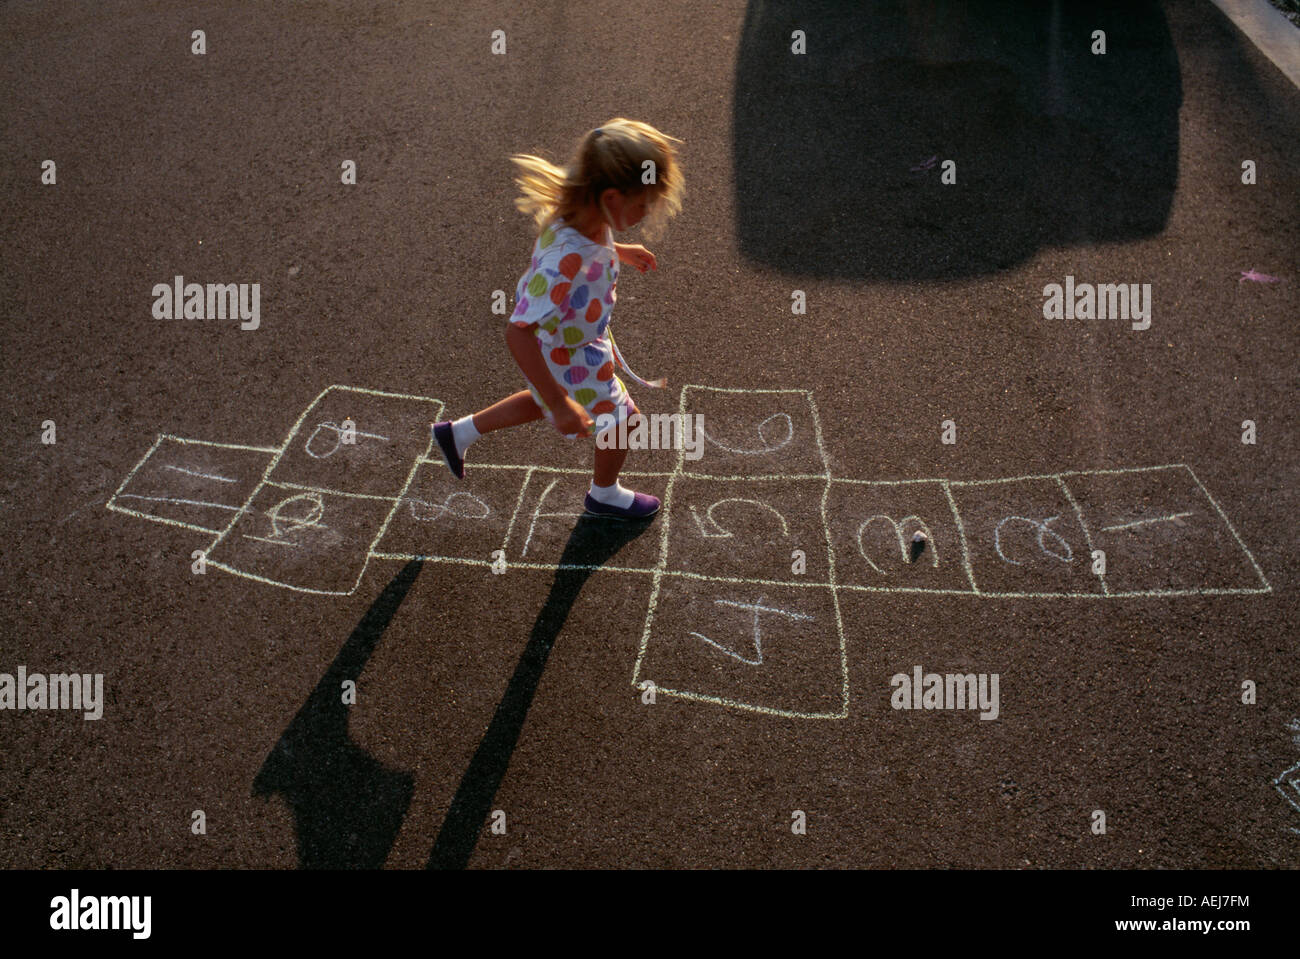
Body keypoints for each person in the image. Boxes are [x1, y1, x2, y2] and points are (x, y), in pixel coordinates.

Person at [432, 118, 685, 519]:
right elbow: (518, 333)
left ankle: (457, 433)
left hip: (571, 343)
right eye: (642, 204)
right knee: (624, 421)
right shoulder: (563, 263)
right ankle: (604, 494)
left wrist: (618, 249)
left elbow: (587, 244)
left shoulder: (585, 216)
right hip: (572, 352)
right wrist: (561, 403)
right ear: (613, 196)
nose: (647, 211)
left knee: (543, 400)